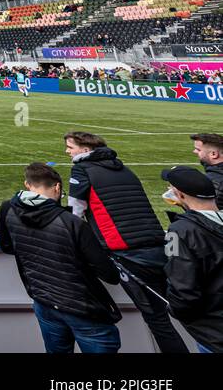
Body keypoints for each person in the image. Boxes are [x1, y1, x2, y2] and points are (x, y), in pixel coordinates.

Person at [65, 131, 187, 353]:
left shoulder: (81, 170)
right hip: (159, 245)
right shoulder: (123, 168)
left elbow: (75, 212)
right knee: (185, 309)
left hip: (126, 253)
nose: (67, 151)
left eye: (70, 147)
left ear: (84, 150)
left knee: (157, 318)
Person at [0, 161, 121, 354]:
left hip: (44, 299)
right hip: (81, 306)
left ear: (27, 184)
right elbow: (110, 275)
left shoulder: (7, 209)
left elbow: (8, 246)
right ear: (57, 187)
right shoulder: (71, 222)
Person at [161, 166, 223, 353]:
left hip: (212, 332)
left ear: (180, 194)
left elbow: (183, 289)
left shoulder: (179, 232)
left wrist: (176, 308)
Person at [190, 133, 223, 206]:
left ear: (213, 154)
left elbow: (209, 212)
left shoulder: (214, 181)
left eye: (198, 149)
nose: (194, 151)